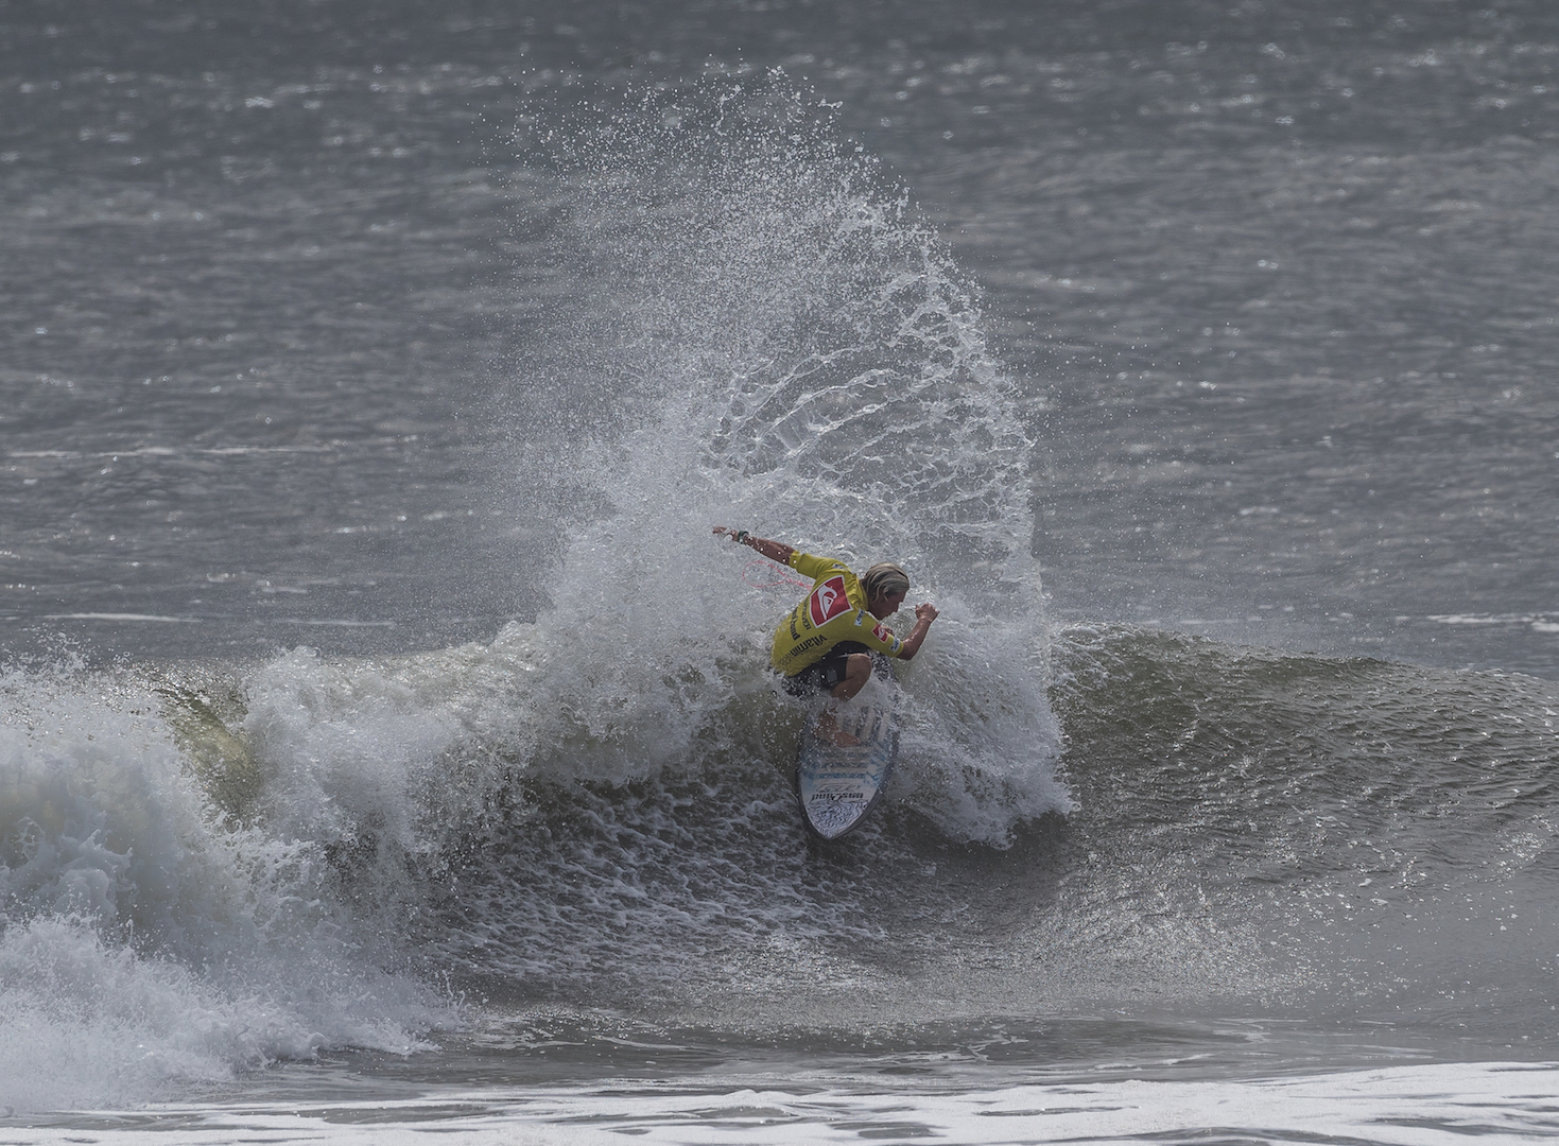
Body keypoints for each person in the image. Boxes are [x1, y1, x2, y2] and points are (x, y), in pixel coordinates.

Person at [713, 526, 938, 711]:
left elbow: (786, 554)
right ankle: (826, 721)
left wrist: (744, 538)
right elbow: (907, 651)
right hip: (788, 682)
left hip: (777, 648)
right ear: (880, 594)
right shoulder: (856, 620)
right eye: (896, 602)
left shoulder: (836, 570)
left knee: (879, 634)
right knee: (863, 665)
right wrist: (925, 619)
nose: (897, 609)